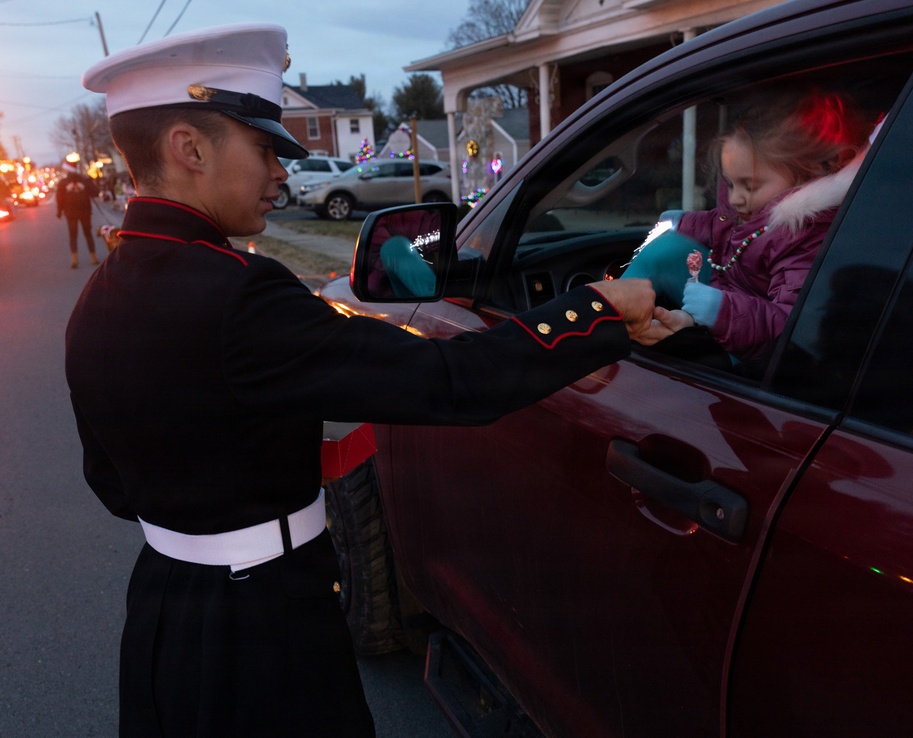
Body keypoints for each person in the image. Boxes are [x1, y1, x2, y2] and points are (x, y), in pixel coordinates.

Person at [64, 24, 668, 738]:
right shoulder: (240, 296)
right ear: (189, 150)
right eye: (265, 149)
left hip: (163, 614)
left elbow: (110, 481)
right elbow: (450, 381)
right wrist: (596, 308)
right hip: (263, 633)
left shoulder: (97, 296)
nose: (282, 173)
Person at [623, 88, 872, 365]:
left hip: (747, 347)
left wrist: (721, 311)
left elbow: (791, 327)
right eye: (729, 184)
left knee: (666, 253)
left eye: (748, 186)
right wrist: (682, 221)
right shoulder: (749, 210)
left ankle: (605, 326)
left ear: (807, 174)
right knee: (667, 247)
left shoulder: (803, 238)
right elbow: (723, 225)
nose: (735, 198)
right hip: (727, 298)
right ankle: (612, 313)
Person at [55, 157, 100, 268]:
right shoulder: (84, 180)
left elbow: (59, 198)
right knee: (88, 234)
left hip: (70, 213)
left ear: (67, 170)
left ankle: (74, 260)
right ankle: (93, 257)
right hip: (85, 211)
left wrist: (59, 211)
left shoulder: (63, 182)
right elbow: (95, 193)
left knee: (73, 235)